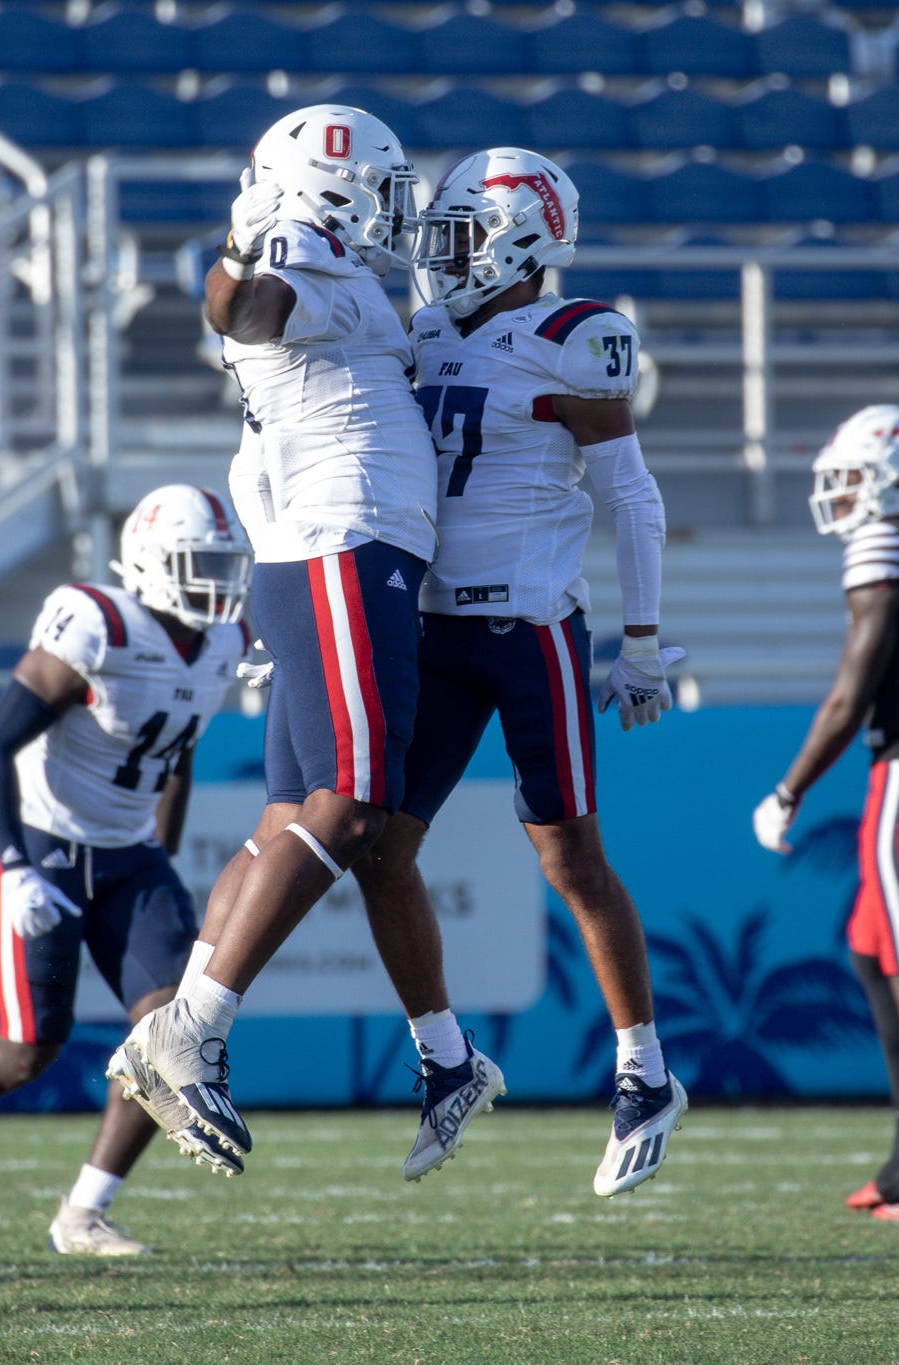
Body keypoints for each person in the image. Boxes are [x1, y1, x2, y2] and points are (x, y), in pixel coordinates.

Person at [338, 147, 687, 1196]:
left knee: (570, 859)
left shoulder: (577, 335)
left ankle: (643, 1072)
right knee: (375, 845)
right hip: (430, 630)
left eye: (457, 236)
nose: (437, 260)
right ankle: (445, 1056)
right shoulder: (429, 329)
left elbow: (632, 498)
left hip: (529, 629)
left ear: (519, 240)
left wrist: (638, 641)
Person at [108, 105, 435, 1167]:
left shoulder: (329, 254)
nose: (391, 206)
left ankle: (185, 1026)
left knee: (290, 814)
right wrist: (234, 262)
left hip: (335, 548)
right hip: (341, 545)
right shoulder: (293, 241)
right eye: (376, 183)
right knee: (349, 809)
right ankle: (188, 1032)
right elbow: (245, 310)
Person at [0, 486, 251, 1254]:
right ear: (150, 564)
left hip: (129, 850)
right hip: (47, 841)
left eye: (224, 566)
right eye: (199, 565)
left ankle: (84, 1212)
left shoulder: (223, 640)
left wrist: (161, 851)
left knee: (172, 1034)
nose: (217, 584)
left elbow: (179, 751)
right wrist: (15, 864)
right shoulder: (97, 624)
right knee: (31, 1045)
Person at [753, 406, 899, 1219]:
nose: (845, 493)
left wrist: (790, 788)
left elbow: (854, 691)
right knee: (869, 948)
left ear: (896, 475)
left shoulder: (888, 544)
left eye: (854, 476)